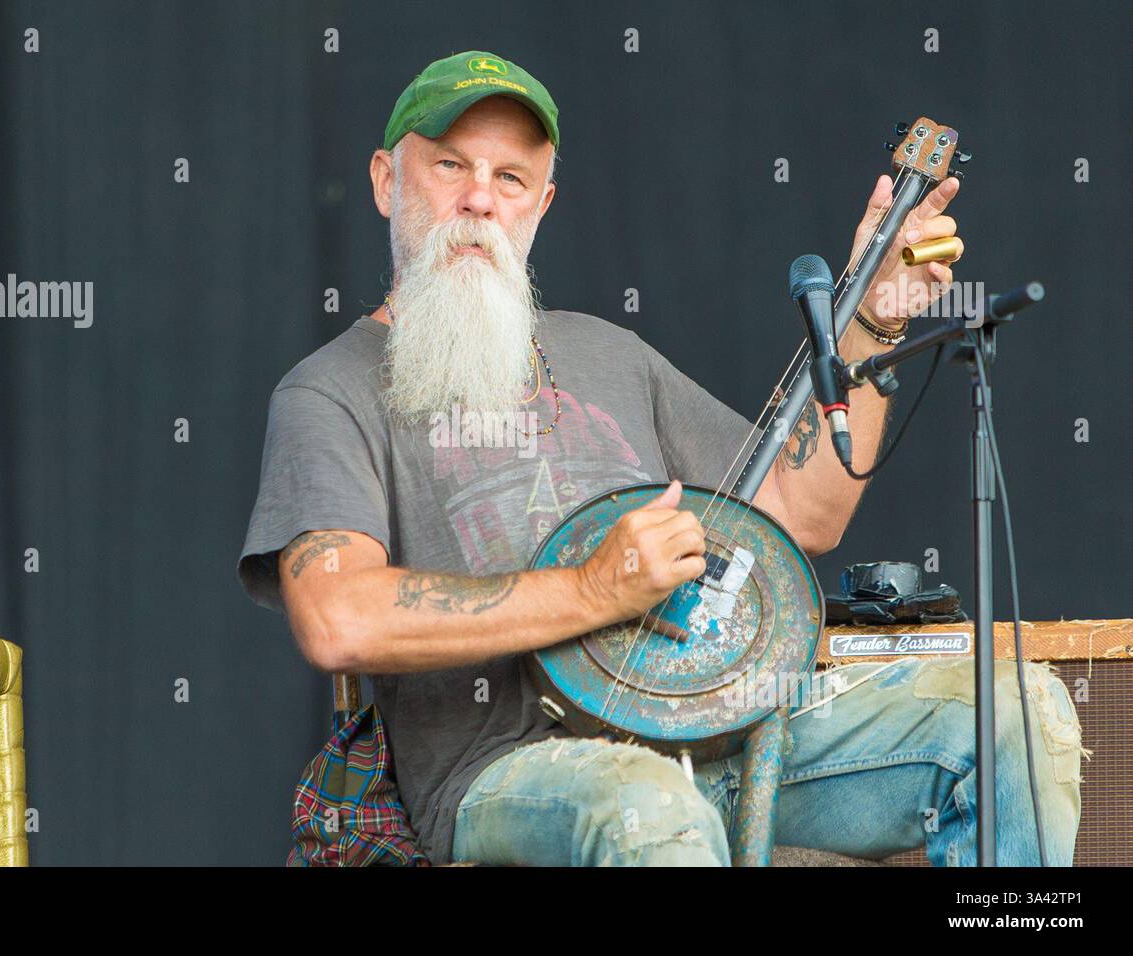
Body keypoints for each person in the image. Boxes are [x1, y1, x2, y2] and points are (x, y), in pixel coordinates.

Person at [238, 50, 1082, 866]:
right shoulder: (329, 394)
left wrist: (877, 318)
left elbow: (802, 514)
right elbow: (338, 617)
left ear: (542, 203)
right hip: (516, 774)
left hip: (732, 733)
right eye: (451, 166)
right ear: (388, 181)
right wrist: (591, 589)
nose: (480, 202)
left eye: (510, 178)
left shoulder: (609, 354)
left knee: (1015, 708)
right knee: (650, 803)